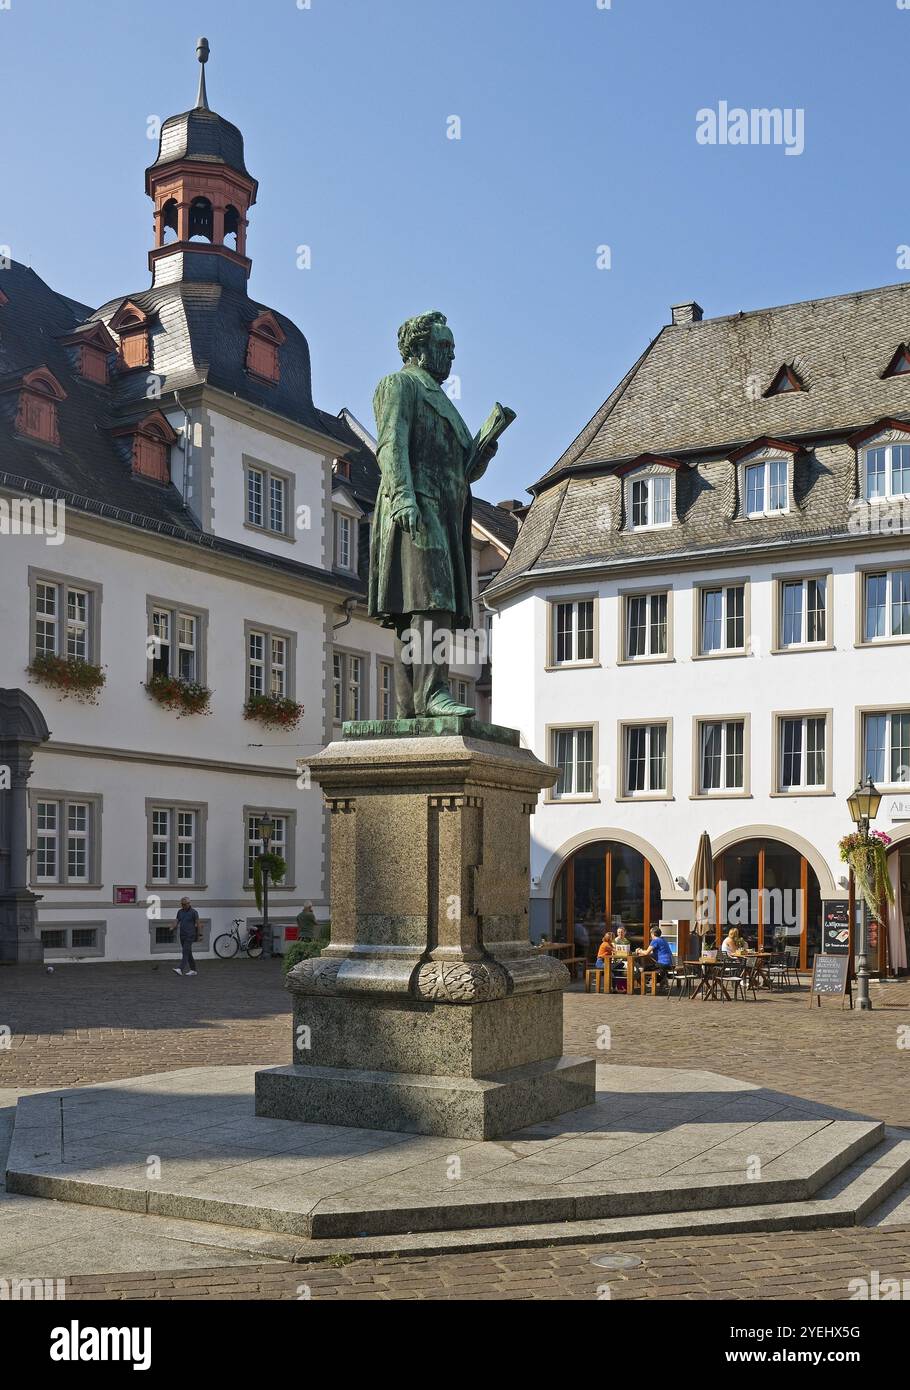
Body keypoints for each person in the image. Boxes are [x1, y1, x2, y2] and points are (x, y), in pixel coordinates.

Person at [634, 926, 674, 990]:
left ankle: (645, 987)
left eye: (650, 933)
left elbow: (647, 952)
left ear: (653, 933)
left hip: (662, 964)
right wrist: (643, 952)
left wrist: (639, 950)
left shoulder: (655, 940)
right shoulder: (663, 940)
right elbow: (653, 953)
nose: (650, 935)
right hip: (670, 964)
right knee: (651, 968)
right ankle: (660, 982)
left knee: (642, 969)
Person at [173, 896, 199, 977]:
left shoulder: (194, 912)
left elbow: (198, 924)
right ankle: (193, 970)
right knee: (188, 952)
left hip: (190, 935)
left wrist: (200, 935)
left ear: (188, 903)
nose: (183, 906)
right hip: (182, 935)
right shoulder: (180, 912)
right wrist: (172, 927)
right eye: (182, 904)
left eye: (184, 904)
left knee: (185, 951)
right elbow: (176, 921)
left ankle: (180, 968)